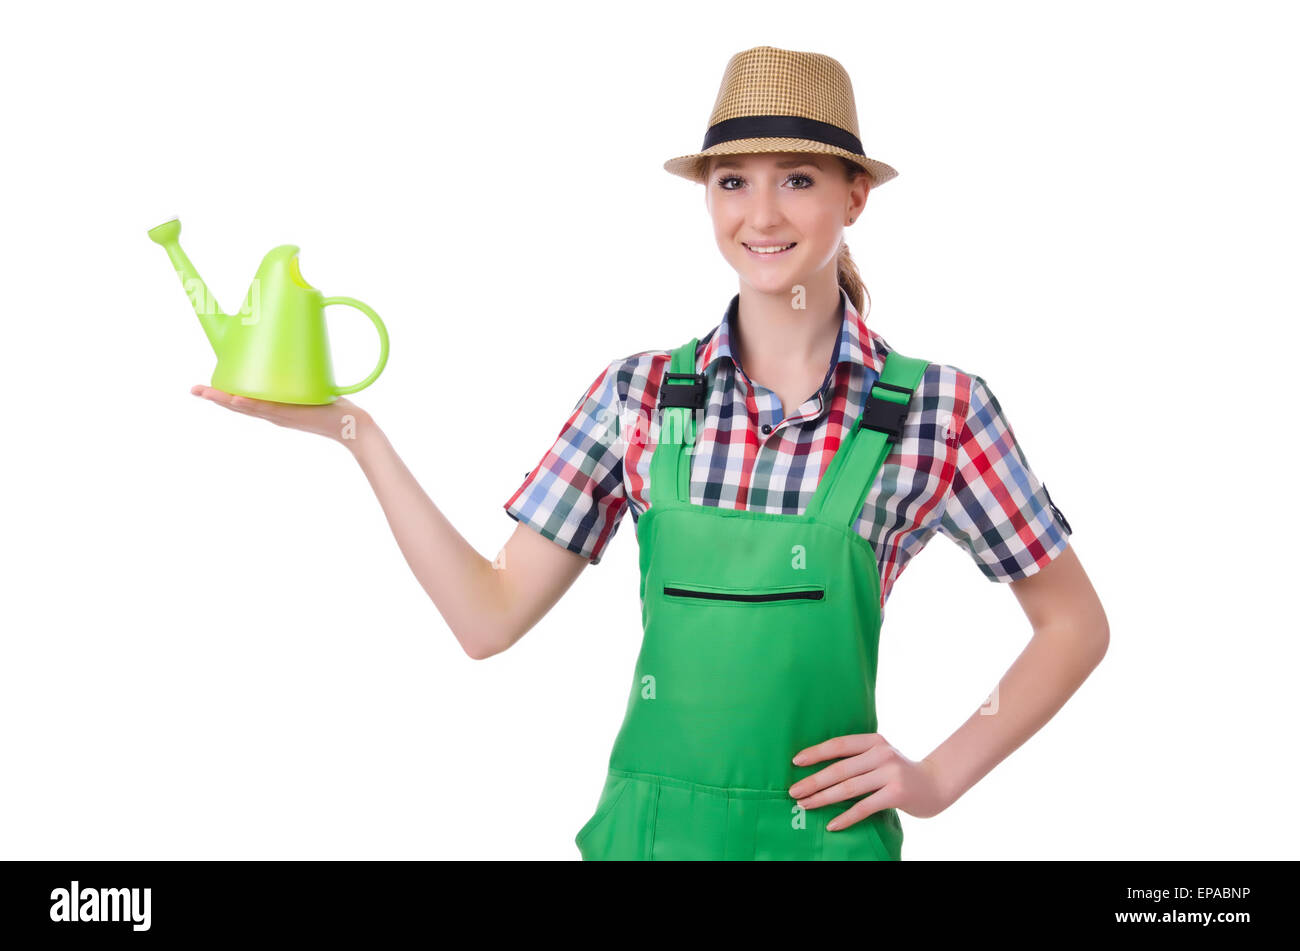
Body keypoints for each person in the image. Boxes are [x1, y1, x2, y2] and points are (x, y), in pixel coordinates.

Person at [191, 46, 1108, 861]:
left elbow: (1073, 624)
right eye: (731, 181)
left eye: (796, 179)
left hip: (823, 844)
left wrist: (937, 778)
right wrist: (357, 433)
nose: (760, 213)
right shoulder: (639, 395)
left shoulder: (936, 410)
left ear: (854, 195)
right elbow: (488, 617)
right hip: (646, 836)